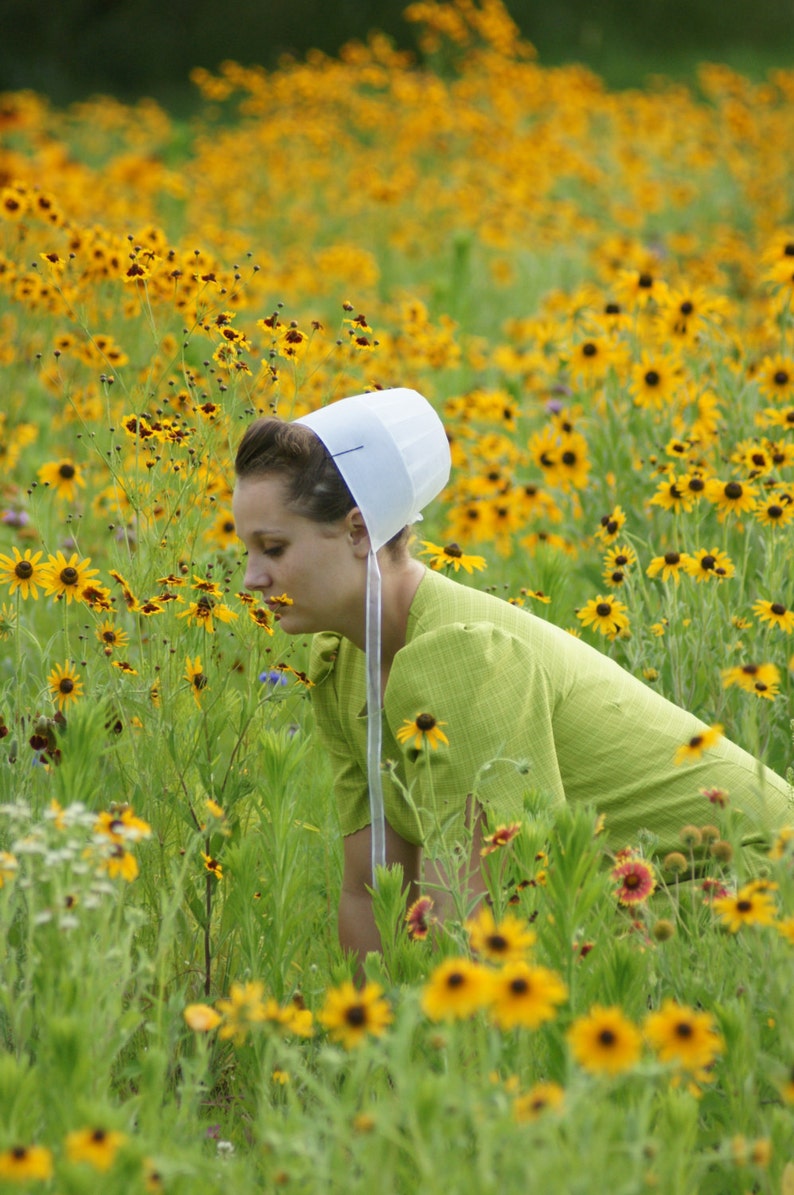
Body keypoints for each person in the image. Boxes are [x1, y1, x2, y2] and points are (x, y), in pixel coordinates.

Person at [232, 388, 792, 963]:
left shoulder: (462, 652)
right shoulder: (340, 661)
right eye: (247, 550)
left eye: (273, 548)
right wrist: (365, 1039)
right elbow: (372, 889)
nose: (251, 578)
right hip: (627, 906)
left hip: (744, 885)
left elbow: (486, 913)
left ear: (358, 532)